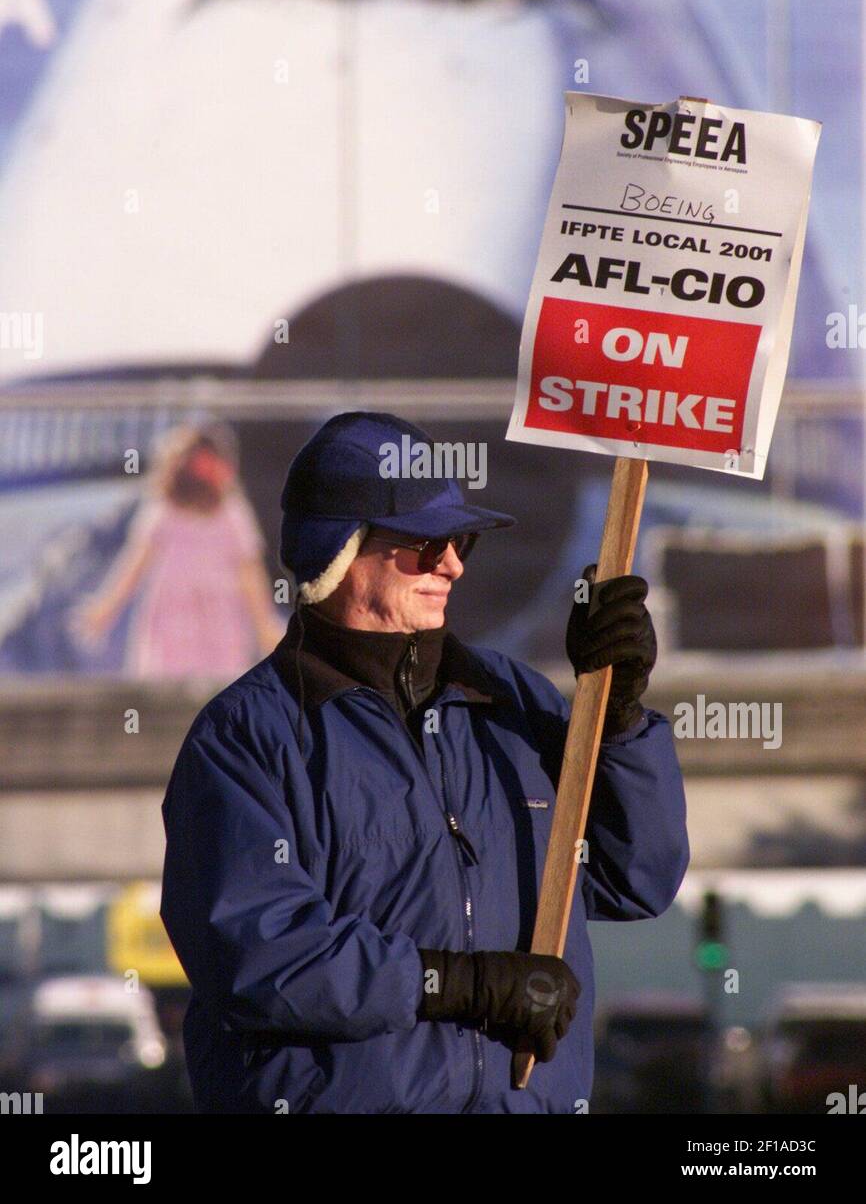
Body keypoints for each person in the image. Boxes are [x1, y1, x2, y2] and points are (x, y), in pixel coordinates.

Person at [160, 410, 689, 1113]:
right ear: (338, 550)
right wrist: (458, 985)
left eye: (460, 538)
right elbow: (258, 955)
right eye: (423, 543)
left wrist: (617, 720)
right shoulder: (245, 738)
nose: (453, 563)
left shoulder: (514, 703)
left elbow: (637, 878)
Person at [75, 424, 284, 678]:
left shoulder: (232, 513)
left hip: (220, 620)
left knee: (218, 691)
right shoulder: (162, 510)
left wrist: (264, 625)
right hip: (169, 619)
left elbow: (249, 570)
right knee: (166, 688)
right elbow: (135, 563)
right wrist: (106, 608)